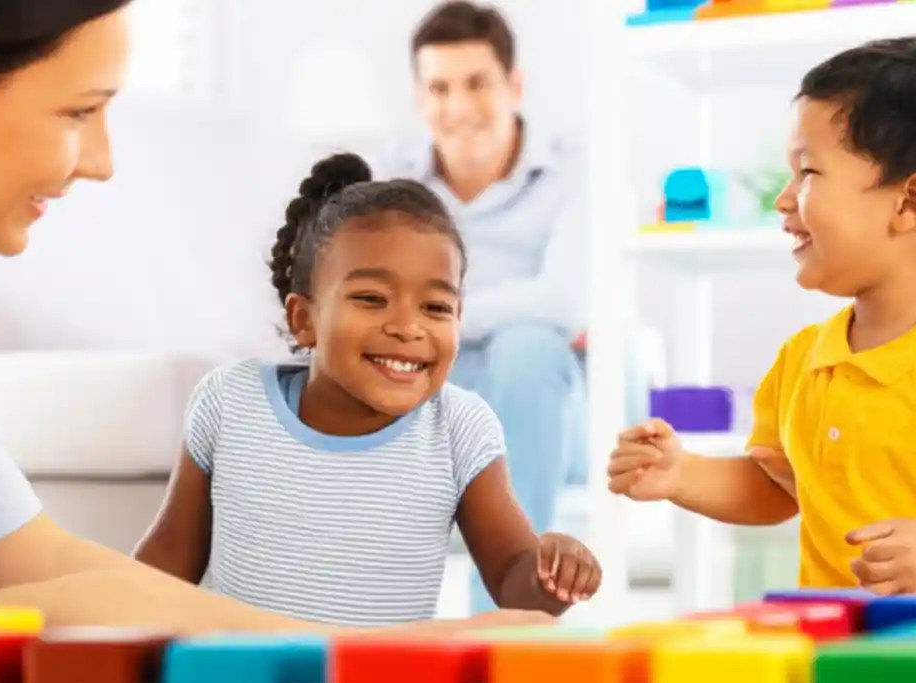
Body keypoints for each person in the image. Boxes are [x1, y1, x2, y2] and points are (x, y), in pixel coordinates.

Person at [0, 0, 550, 634]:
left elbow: (49, 568)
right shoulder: (231, 404)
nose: (105, 162)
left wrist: (381, 653)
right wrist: (398, 652)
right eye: (79, 112)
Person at [609, 32, 916, 595]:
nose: (783, 200)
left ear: (911, 204)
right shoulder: (804, 362)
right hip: (848, 648)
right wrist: (682, 473)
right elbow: (778, 487)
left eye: (808, 173)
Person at [133, 153, 602, 626]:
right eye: (372, 299)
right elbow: (167, 562)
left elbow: (510, 577)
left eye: (436, 308)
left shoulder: (460, 429)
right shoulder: (230, 402)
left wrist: (549, 574)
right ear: (304, 319)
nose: (407, 327)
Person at [383, 0, 588, 614]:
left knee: (528, 345)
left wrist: (430, 318)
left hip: (551, 402)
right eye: (440, 88)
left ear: (514, 85)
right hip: (438, 390)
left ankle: (506, 609)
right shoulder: (390, 181)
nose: (460, 107)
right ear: (420, 99)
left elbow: (563, 300)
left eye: (477, 83)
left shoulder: (575, 171)